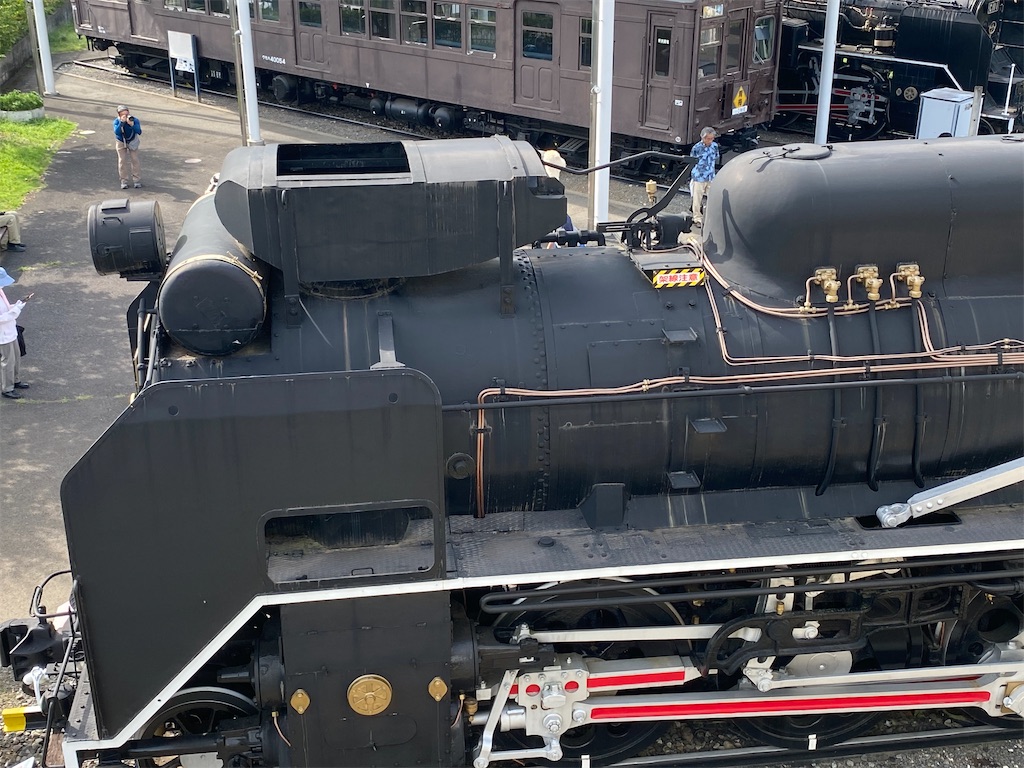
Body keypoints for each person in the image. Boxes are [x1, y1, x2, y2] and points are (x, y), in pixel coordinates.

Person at [0, 267, 31, 399]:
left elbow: (7, 308)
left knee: (16, 357)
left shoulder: (1, 292)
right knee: (7, 361)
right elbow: (3, 317)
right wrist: (16, 310)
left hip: (11, 332)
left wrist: (18, 304)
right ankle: (7, 388)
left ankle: (15, 380)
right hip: (2, 336)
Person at [688, 127, 720, 229]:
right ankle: (697, 218)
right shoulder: (697, 148)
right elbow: (692, 160)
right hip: (699, 176)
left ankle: (710, 217)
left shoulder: (714, 146)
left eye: (712, 138)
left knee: (713, 198)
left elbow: (716, 157)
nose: (710, 141)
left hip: (710, 176)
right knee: (697, 199)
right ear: (703, 137)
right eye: (708, 138)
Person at [113, 105, 143, 190]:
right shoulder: (116, 121)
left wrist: (132, 125)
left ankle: (136, 180)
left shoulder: (134, 120)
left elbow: (139, 131)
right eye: (124, 115)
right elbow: (117, 132)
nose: (126, 116)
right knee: (122, 160)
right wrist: (121, 123)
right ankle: (124, 180)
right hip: (121, 141)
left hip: (132, 140)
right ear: (119, 115)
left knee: (135, 159)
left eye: (127, 114)